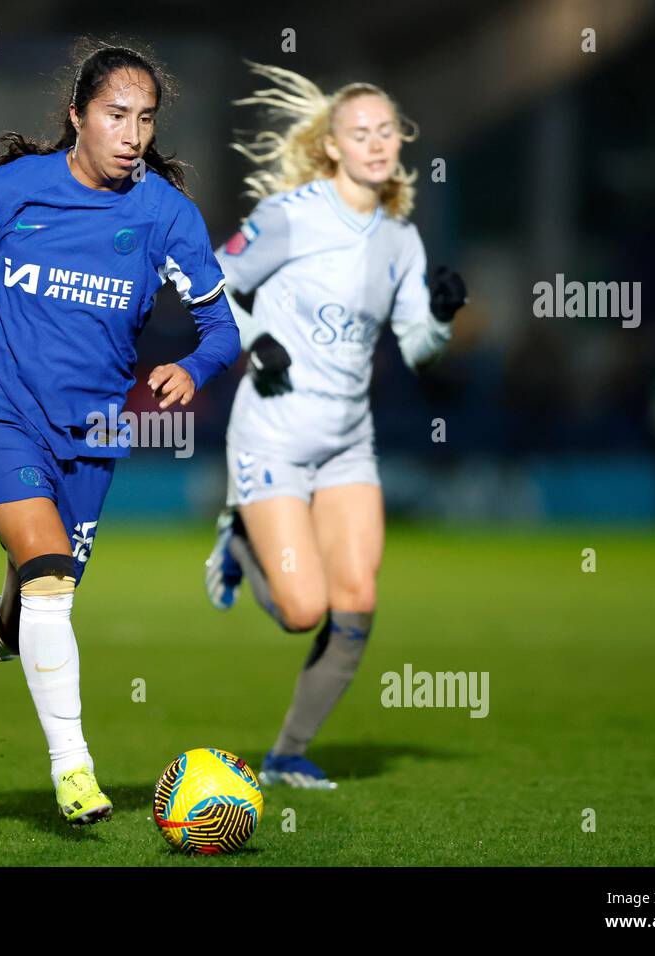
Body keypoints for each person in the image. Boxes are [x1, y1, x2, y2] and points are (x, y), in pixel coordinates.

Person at [0, 42, 240, 825]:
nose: (132, 135)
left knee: (22, 622)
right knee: (48, 576)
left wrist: (193, 369)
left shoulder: (166, 215)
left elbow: (222, 330)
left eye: (145, 119)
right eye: (116, 115)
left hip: (94, 436)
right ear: (77, 116)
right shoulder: (7, 190)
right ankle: (74, 771)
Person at [204, 63, 468, 789]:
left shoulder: (400, 240)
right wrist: (254, 340)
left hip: (349, 443)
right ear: (331, 146)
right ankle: (239, 539)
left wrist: (442, 316)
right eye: (360, 133)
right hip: (274, 435)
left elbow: (417, 350)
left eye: (387, 131)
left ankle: (287, 754)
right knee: (303, 610)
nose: (376, 143)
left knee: (357, 600)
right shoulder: (291, 215)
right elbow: (211, 281)